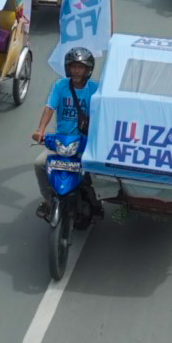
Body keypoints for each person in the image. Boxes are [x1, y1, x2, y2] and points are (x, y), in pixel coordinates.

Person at [30, 47, 100, 221]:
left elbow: (103, 113)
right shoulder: (60, 86)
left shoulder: (95, 89)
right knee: (39, 163)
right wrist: (40, 130)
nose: (76, 70)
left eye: (81, 67)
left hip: (85, 144)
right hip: (62, 142)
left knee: (95, 173)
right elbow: (49, 108)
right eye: (73, 66)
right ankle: (48, 201)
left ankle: (96, 204)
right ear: (68, 68)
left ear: (88, 69)